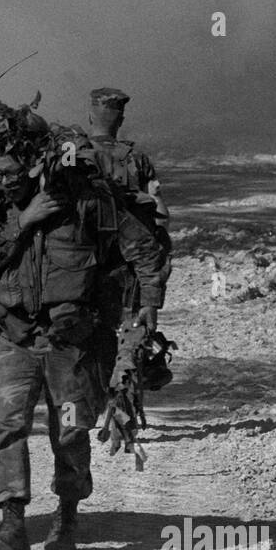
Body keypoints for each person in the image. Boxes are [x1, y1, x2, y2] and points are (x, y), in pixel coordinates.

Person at [0, 135, 169, 550]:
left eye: (12, 173)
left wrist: (149, 304)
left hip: (71, 345)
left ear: (36, 167)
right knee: (7, 422)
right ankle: (12, 522)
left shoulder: (87, 203)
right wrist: (22, 221)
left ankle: (67, 511)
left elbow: (143, 249)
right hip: (17, 339)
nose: (4, 181)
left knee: (69, 430)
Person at [80, 87, 170, 379]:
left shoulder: (74, 158)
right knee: (127, 343)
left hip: (77, 268)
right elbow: (161, 216)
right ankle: (120, 404)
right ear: (120, 120)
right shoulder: (136, 160)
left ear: (90, 116)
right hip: (127, 269)